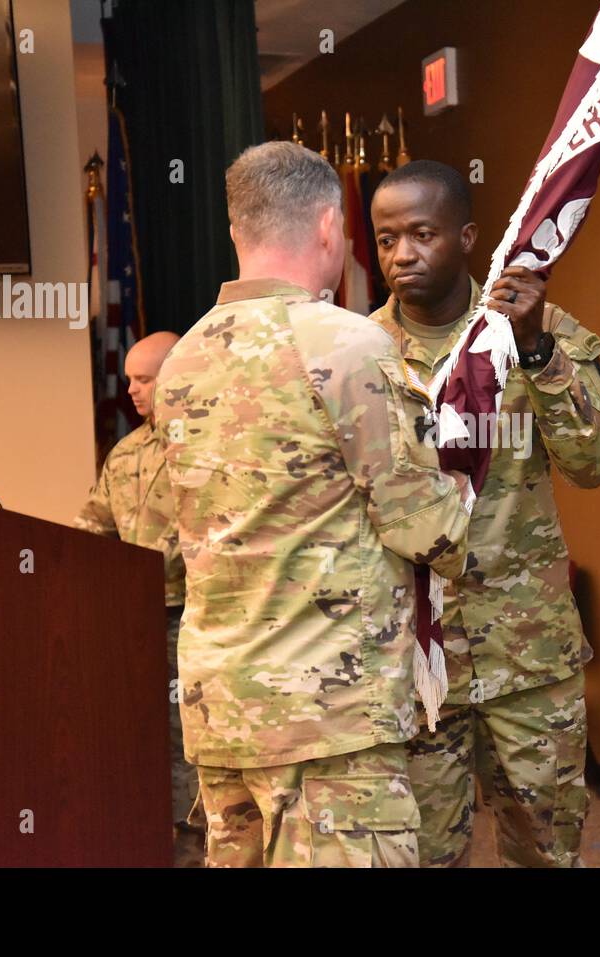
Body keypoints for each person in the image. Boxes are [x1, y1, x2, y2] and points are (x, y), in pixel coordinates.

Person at [153, 141, 473, 868]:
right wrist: (459, 487)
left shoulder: (181, 360)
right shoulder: (349, 344)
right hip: (329, 724)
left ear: (236, 232)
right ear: (332, 227)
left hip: (223, 712)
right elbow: (427, 529)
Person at [367, 160, 600, 866]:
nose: (402, 255)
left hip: (527, 659)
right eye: (386, 238)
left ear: (469, 236)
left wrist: (537, 350)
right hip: (415, 663)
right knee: (417, 855)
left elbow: (596, 461)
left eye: (422, 233)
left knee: (544, 852)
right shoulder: (359, 355)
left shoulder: (536, 330)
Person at [74, 330, 203, 855]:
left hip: (199, 620)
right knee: (142, 746)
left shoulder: (213, 440)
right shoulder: (125, 454)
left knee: (192, 749)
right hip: (133, 625)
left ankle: (202, 847)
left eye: (143, 379)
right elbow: (93, 529)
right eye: (128, 379)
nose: (131, 390)